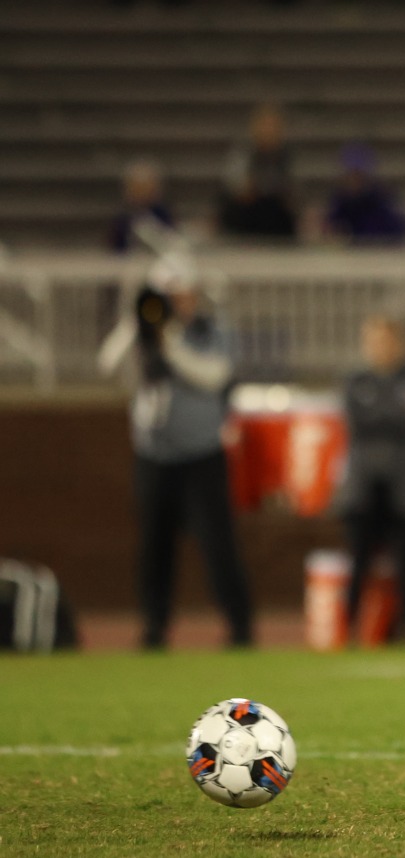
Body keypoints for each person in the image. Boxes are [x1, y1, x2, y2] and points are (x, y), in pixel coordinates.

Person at [96, 260, 253, 649]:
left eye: (182, 294)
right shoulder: (143, 335)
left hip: (202, 455)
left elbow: (214, 375)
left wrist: (171, 342)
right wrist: (137, 324)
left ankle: (239, 625)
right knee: (154, 546)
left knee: (218, 544)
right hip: (154, 457)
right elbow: (106, 365)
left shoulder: (210, 332)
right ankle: (154, 626)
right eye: (168, 295)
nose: (177, 302)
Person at [339, 316, 405, 639]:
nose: (379, 348)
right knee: (358, 561)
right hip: (364, 486)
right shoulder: (356, 380)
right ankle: (348, 628)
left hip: (403, 486)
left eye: (386, 340)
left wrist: (382, 415)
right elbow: (360, 421)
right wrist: (391, 415)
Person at [216, 102, 298, 241]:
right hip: (248, 214)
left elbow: (293, 192)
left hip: (275, 216)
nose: (268, 131)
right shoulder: (244, 153)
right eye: (265, 126)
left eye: (272, 126)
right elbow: (237, 187)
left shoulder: (286, 157)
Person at [325, 143, 405, 242]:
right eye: (351, 175)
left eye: (358, 175)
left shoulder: (381, 202)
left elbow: (401, 233)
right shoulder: (338, 202)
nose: (354, 180)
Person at [109, 160, 175, 253]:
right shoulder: (124, 218)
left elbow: (170, 239)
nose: (141, 193)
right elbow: (115, 245)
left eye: (145, 188)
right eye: (137, 188)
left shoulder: (162, 213)